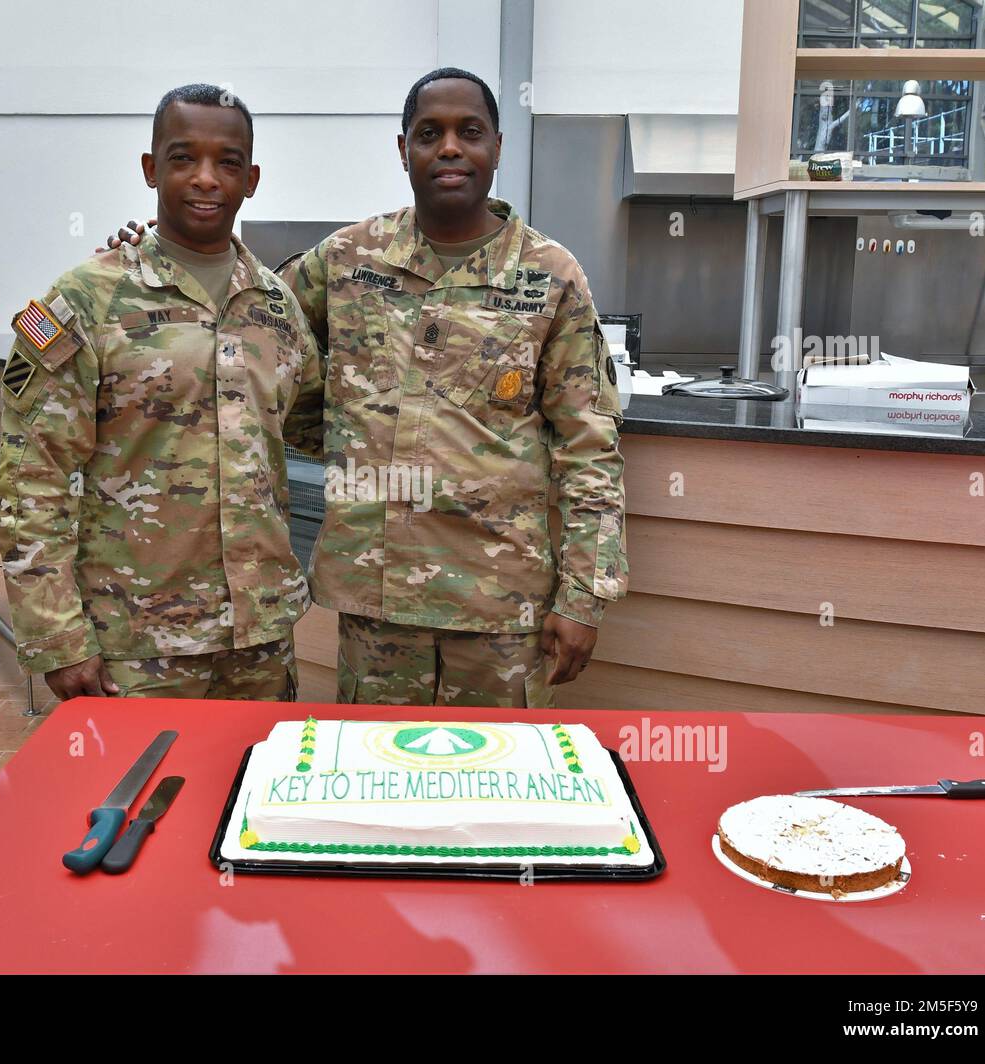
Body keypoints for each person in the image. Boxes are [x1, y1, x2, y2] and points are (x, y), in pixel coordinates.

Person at [106, 68, 627, 708]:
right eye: (429, 133)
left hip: (500, 606)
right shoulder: (348, 259)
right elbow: (247, 325)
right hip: (377, 601)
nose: (450, 149)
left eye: (470, 132)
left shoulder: (550, 275)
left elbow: (589, 446)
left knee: (496, 788)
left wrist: (585, 594)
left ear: (497, 147)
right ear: (402, 149)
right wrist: (152, 255)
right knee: (373, 786)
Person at [0, 83, 323, 702]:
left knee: (249, 795)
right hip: (134, 642)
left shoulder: (279, 309)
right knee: (140, 799)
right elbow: (31, 473)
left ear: (251, 179)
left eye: (227, 162)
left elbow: (310, 426)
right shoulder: (86, 299)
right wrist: (57, 637)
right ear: (151, 169)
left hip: (258, 638)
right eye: (182, 158)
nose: (205, 179)